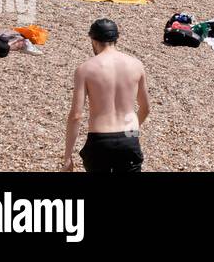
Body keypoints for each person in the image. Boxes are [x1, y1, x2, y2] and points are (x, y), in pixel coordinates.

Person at [63, 19, 150, 172]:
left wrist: (68, 157)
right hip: (128, 139)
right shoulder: (136, 65)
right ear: (116, 38)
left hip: (99, 141)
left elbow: (76, 115)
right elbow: (145, 108)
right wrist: (131, 132)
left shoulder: (85, 69)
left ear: (93, 40)